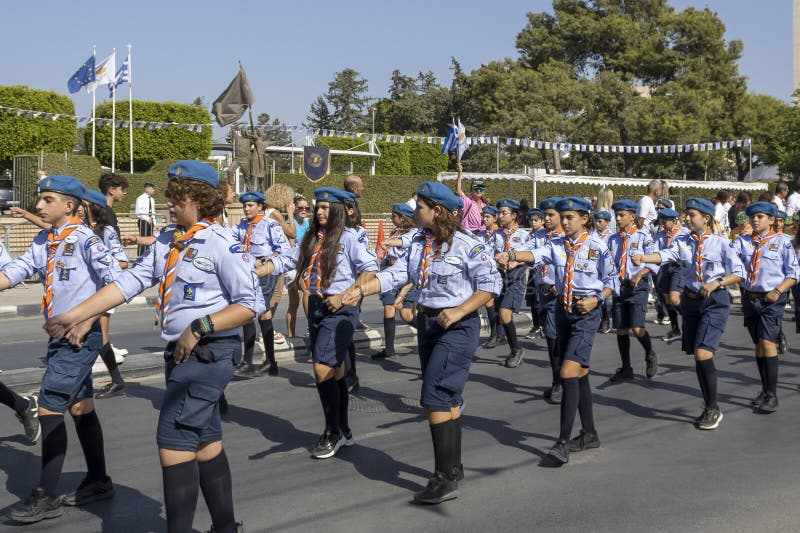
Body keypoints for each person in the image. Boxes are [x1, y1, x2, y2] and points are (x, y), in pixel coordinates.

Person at [45, 161, 255, 532]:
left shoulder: (223, 243)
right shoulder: (167, 240)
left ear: (200, 199)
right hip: (181, 353)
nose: (168, 205)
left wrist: (200, 325)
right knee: (205, 441)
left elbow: (249, 304)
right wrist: (76, 315)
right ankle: (225, 527)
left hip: (210, 351)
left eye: (177, 198)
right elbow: (128, 282)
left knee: (173, 439)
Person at [341, 181, 501, 503]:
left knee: (434, 396)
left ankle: (442, 478)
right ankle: (453, 468)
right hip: (428, 323)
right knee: (448, 397)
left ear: (437, 211)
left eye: (420, 207)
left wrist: (459, 311)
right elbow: (396, 273)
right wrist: (360, 290)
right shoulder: (418, 242)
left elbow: (490, 285)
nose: (415, 212)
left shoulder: (467, 245)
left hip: (457, 326)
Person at [1, 175, 120, 524]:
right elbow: (18, 268)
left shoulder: (86, 240)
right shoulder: (46, 239)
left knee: (50, 408)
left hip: (80, 337)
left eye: (47, 200)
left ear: (69, 206)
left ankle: (47, 495)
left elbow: (117, 279)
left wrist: (91, 317)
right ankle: (98, 480)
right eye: (40, 199)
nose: (39, 206)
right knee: (81, 407)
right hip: (60, 337)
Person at [257, 187, 378, 460]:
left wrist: (347, 295)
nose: (319, 212)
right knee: (334, 371)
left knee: (321, 367)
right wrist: (261, 269)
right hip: (317, 307)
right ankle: (343, 430)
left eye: (325, 207)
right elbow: (289, 260)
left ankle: (331, 432)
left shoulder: (350, 237)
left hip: (341, 308)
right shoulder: (311, 237)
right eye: (317, 207)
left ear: (336, 210)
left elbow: (370, 269)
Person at [497, 196, 617, 466]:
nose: (563, 221)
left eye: (569, 217)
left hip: (586, 312)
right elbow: (535, 256)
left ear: (584, 219)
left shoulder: (598, 247)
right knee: (580, 374)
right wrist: (513, 255)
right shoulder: (556, 245)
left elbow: (611, 281)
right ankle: (589, 433)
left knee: (567, 373)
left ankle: (563, 441)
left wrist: (597, 300)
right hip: (564, 313)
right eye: (561, 217)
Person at [632, 197, 745, 430]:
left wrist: (717, 283)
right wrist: (644, 257)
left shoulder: (721, 243)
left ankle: (713, 407)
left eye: (692, 215)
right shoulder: (683, 241)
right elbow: (665, 255)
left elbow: (739, 273)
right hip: (691, 303)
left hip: (714, 302)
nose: (687, 219)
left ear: (707, 218)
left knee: (703, 354)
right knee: (697, 355)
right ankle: (708, 404)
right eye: (687, 214)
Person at [730, 201, 799, 413]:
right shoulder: (742, 241)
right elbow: (727, 255)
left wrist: (778, 291)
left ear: (771, 220)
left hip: (772, 298)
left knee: (768, 343)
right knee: (759, 344)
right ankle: (764, 389)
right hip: (750, 298)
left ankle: (772, 394)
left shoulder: (783, 242)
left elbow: (794, 274)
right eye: (753, 217)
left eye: (760, 217)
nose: (755, 220)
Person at [232, 191, 290, 378]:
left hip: (266, 274)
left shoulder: (270, 225)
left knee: (250, 313)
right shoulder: (242, 226)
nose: (246, 209)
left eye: (250, 205)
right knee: (263, 316)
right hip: (248, 273)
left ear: (260, 207)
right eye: (244, 206)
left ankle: (250, 361)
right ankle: (269, 363)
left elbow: (284, 251)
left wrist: (263, 260)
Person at [83, 190, 130, 399]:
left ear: (91, 207)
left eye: (83, 204)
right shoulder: (82, 229)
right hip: (87, 291)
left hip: (105, 290)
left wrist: (101, 265)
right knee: (89, 336)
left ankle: (117, 381)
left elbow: (122, 261)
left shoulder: (107, 231)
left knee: (99, 337)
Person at [607, 200, 659, 381]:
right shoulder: (613, 240)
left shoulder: (644, 237)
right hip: (620, 287)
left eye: (622, 215)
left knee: (637, 328)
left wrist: (640, 274)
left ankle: (650, 353)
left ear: (632, 216)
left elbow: (654, 261)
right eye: (617, 215)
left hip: (638, 287)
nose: (618, 218)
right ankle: (626, 367)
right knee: (621, 329)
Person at [487, 199, 530, 368]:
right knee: (499, 311)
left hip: (516, 278)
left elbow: (530, 255)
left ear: (514, 215)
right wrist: (495, 260)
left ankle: (516, 349)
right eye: (498, 213)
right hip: (499, 278)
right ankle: (500, 336)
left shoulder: (524, 235)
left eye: (503, 213)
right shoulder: (496, 235)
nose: (500, 216)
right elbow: (490, 253)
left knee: (505, 313)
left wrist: (516, 261)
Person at [373, 203, 417, 360]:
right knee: (388, 309)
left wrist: (390, 243)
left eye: (394, 216)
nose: (392, 219)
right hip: (390, 276)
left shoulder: (415, 234)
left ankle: (430, 334)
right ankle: (389, 349)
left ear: (403, 218)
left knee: (406, 314)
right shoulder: (394, 232)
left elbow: (404, 244)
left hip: (407, 278)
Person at [264, 183, 296, 347]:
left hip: (267, 260)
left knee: (270, 296)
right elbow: (292, 232)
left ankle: (267, 329)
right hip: (275, 261)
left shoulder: (265, 212)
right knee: (275, 297)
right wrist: (290, 214)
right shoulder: (275, 214)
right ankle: (266, 331)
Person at [653, 208, 688, 343]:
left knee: (674, 298)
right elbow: (655, 249)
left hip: (678, 267)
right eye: (661, 221)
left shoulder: (684, 233)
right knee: (668, 299)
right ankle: (675, 329)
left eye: (665, 221)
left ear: (673, 221)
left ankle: (689, 323)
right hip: (665, 267)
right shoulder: (660, 234)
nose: (662, 224)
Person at [286, 194, 310, 338]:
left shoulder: (306, 223)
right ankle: (313, 328)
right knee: (307, 293)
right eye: (300, 207)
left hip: (304, 265)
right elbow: (291, 245)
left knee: (294, 303)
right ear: (294, 209)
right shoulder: (291, 222)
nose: (304, 210)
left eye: (306, 208)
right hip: (294, 266)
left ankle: (291, 336)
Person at [480, 206, 505, 346]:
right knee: (489, 303)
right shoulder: (481, 235)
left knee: (498, 304)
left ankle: (498, 334)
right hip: (486, 272)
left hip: (498, 271)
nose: (484, 219)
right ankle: (495, 333)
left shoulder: (499, 235)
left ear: (495, 218)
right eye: (483, 217)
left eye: (488, 217)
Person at [524, 208, 546, 339]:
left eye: (536, 220)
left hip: (543, 270)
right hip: (533, 270)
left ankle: (543, 325)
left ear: (542, 221)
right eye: (531, 220)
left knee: (541, 300)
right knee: (532, 300)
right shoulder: (530, 235)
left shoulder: (545, 235)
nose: (533, 223)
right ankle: (536, 325)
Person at [593, 210, 613, 333]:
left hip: (607, 268)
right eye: (596, 221)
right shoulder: (592, 235)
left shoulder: (611, 236)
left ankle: (606, 319)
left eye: (600, 221)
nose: (597, 223)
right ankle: (599, 318)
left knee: (606, 298)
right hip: (595, 269)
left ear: (607, 222)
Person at [454, 162, 488, 233]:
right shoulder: (468, 202)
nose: (479, 190)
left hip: (482, 235)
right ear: (471, 191)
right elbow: (458, 191)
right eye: (476, 188)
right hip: (469, 235)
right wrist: (460, 174)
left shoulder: (485, 205)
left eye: (481, 188)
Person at [135, 183, 156, 256]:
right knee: (142, 238)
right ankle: (141, 255)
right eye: (152, 189)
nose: (154, 190)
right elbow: (138, 212)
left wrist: (155, 223)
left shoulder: (152, 199)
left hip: (151, 222)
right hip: (143, 221)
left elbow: (153, 212)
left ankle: (148, 254)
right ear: (147, 189)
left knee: (150, 238)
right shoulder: (140, 198)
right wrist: (147, 219)